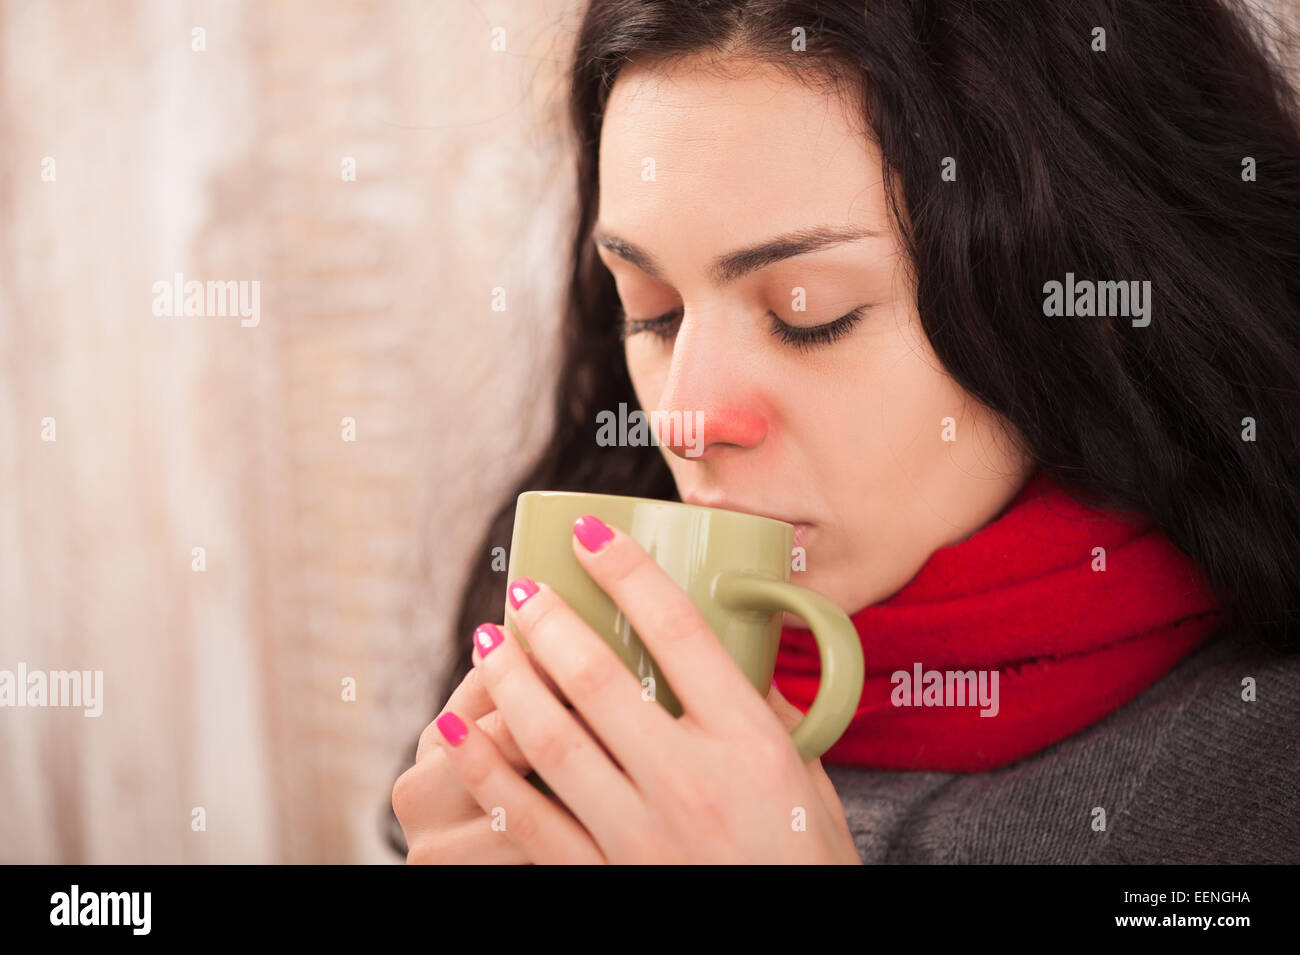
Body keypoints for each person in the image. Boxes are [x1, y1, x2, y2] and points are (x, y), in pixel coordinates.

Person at [390, 0, 1300, 863]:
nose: (685, 420)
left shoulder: (1256, 776)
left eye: (807, 314)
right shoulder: (538, 749)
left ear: (1072, 299)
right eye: (655, 312)